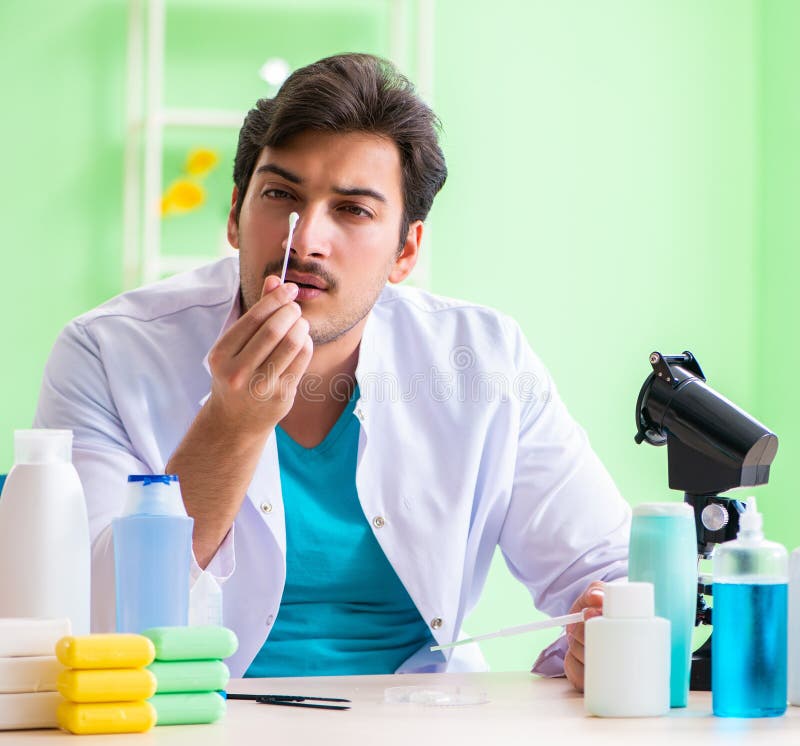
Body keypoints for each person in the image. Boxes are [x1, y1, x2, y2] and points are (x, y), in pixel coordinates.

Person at [34, 53, 630, 688]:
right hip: (195, 713)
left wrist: (603, 637)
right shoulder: (107, 354)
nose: (307, 240)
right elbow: (92, 616)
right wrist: (231, 425)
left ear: (405, 251)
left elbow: (609, 574)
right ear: (235, 214)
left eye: (353, 209)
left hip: (418, 716)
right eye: (281, 196)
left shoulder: (484, 361)